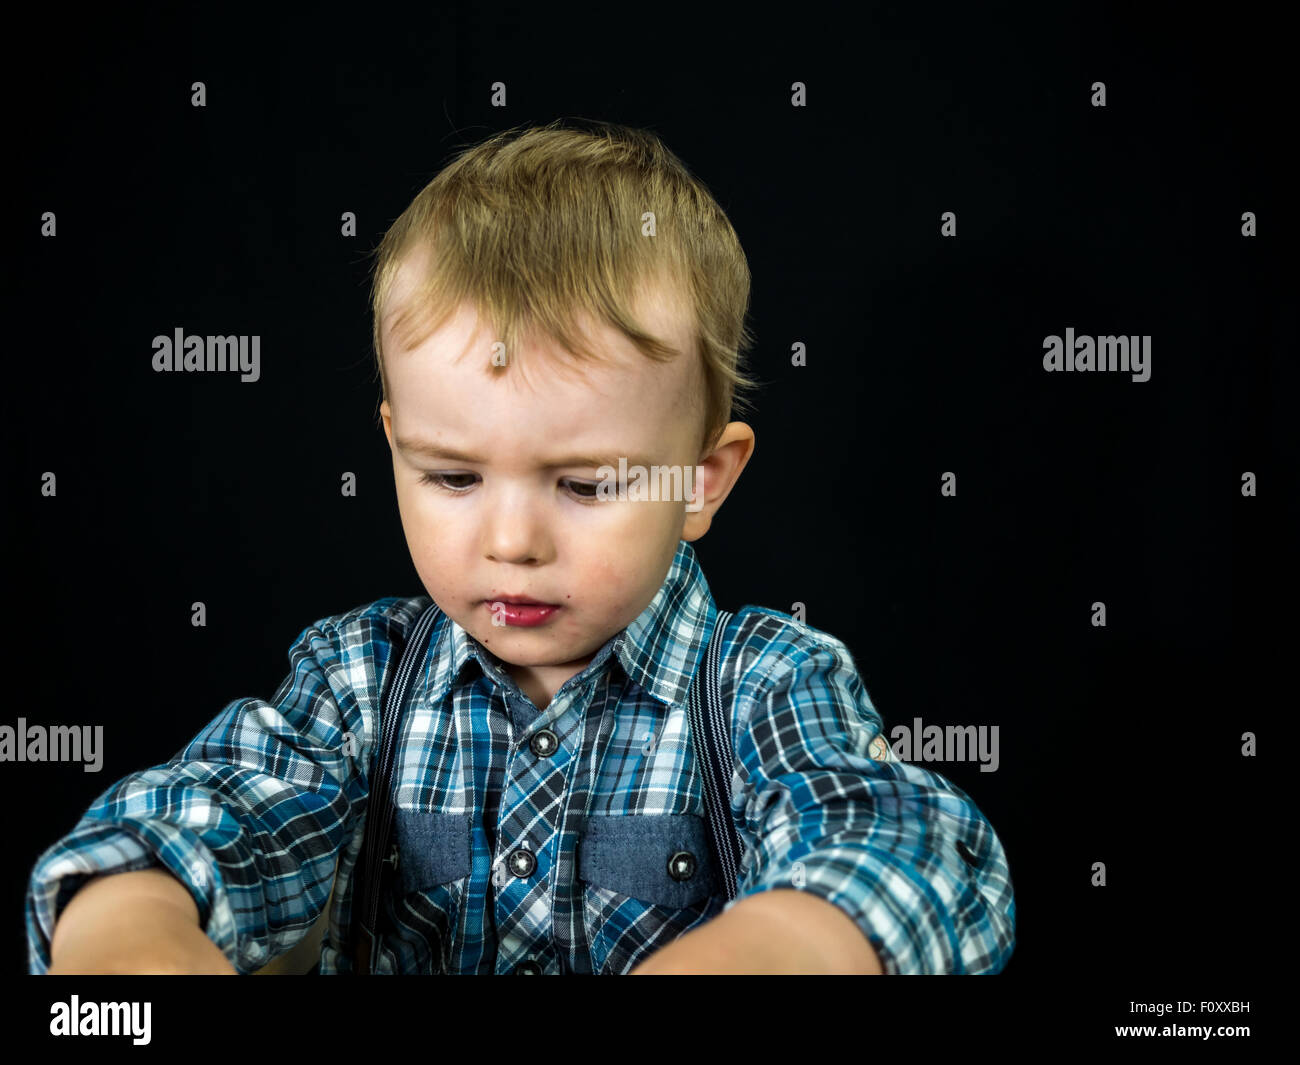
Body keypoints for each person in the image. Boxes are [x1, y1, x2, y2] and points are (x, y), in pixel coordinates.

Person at [28, 119, 1015, 975]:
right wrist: (130, 921)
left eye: (586, 485)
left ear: (701, 480)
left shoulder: (766, 686)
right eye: (451, 477)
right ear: (393, 448)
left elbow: (907, 843)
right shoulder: (360, 681)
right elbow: (221, 812)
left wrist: (789, 945)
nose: (510, 541)